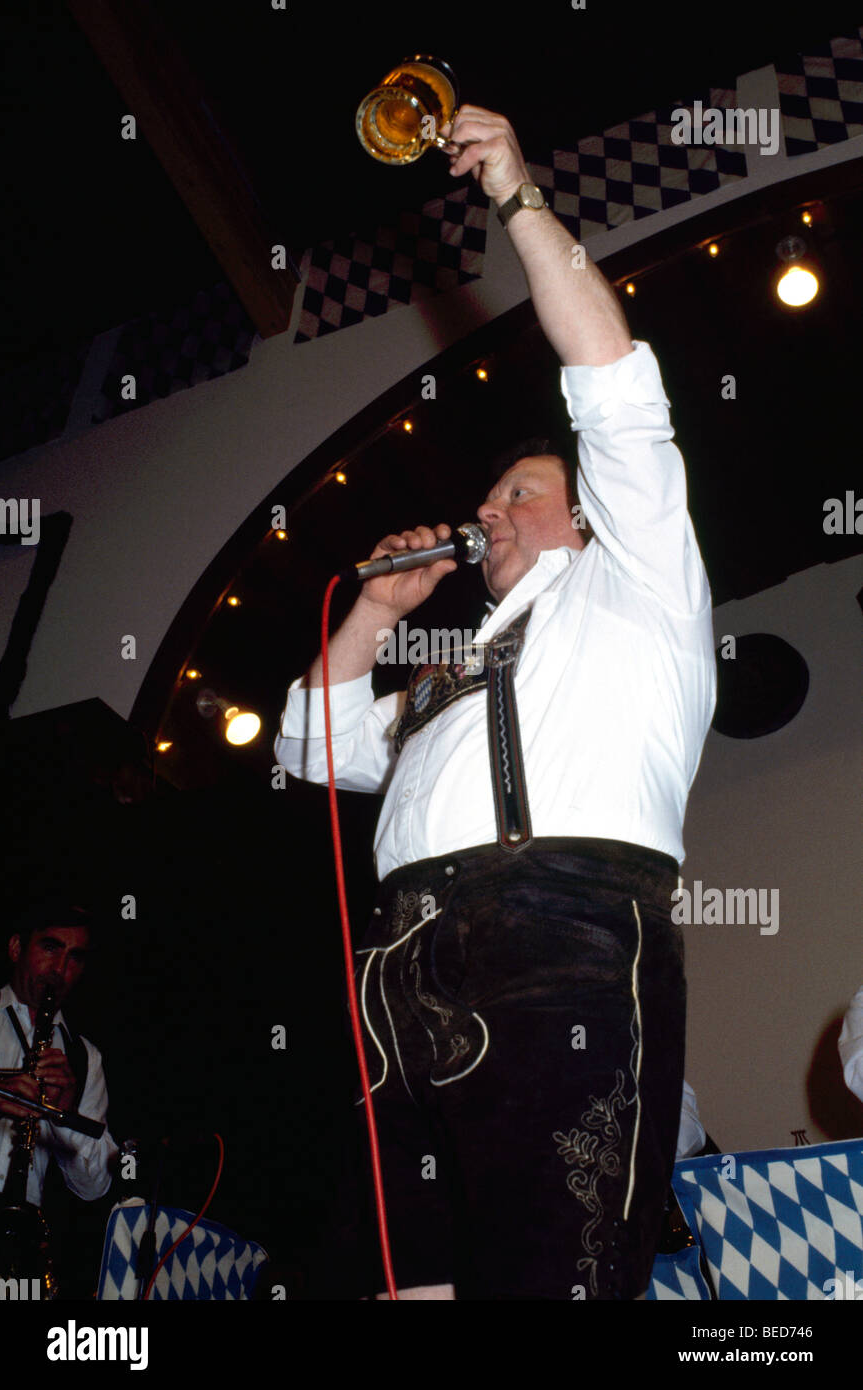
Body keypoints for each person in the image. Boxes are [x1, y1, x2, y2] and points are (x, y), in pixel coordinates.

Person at [275, 105, 716, 1300]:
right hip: (398, 964)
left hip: (560, 931)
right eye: (489, 493)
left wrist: (517, 192)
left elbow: (612, 383)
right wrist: (374, 617)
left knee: (551, 1270)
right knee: (406, 1275)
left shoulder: (637, 584)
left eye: (522, 489)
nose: (493, 510)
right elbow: (312, 751)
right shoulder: (445, 668)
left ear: (580, 514)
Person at [0, 900, 117, 1220]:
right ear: (16, 947)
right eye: (51, 947)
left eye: (75, 957)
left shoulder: (84, 1057)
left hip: (16, 1229)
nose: (61, 971)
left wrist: (65, 1115)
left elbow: (95, 1187)